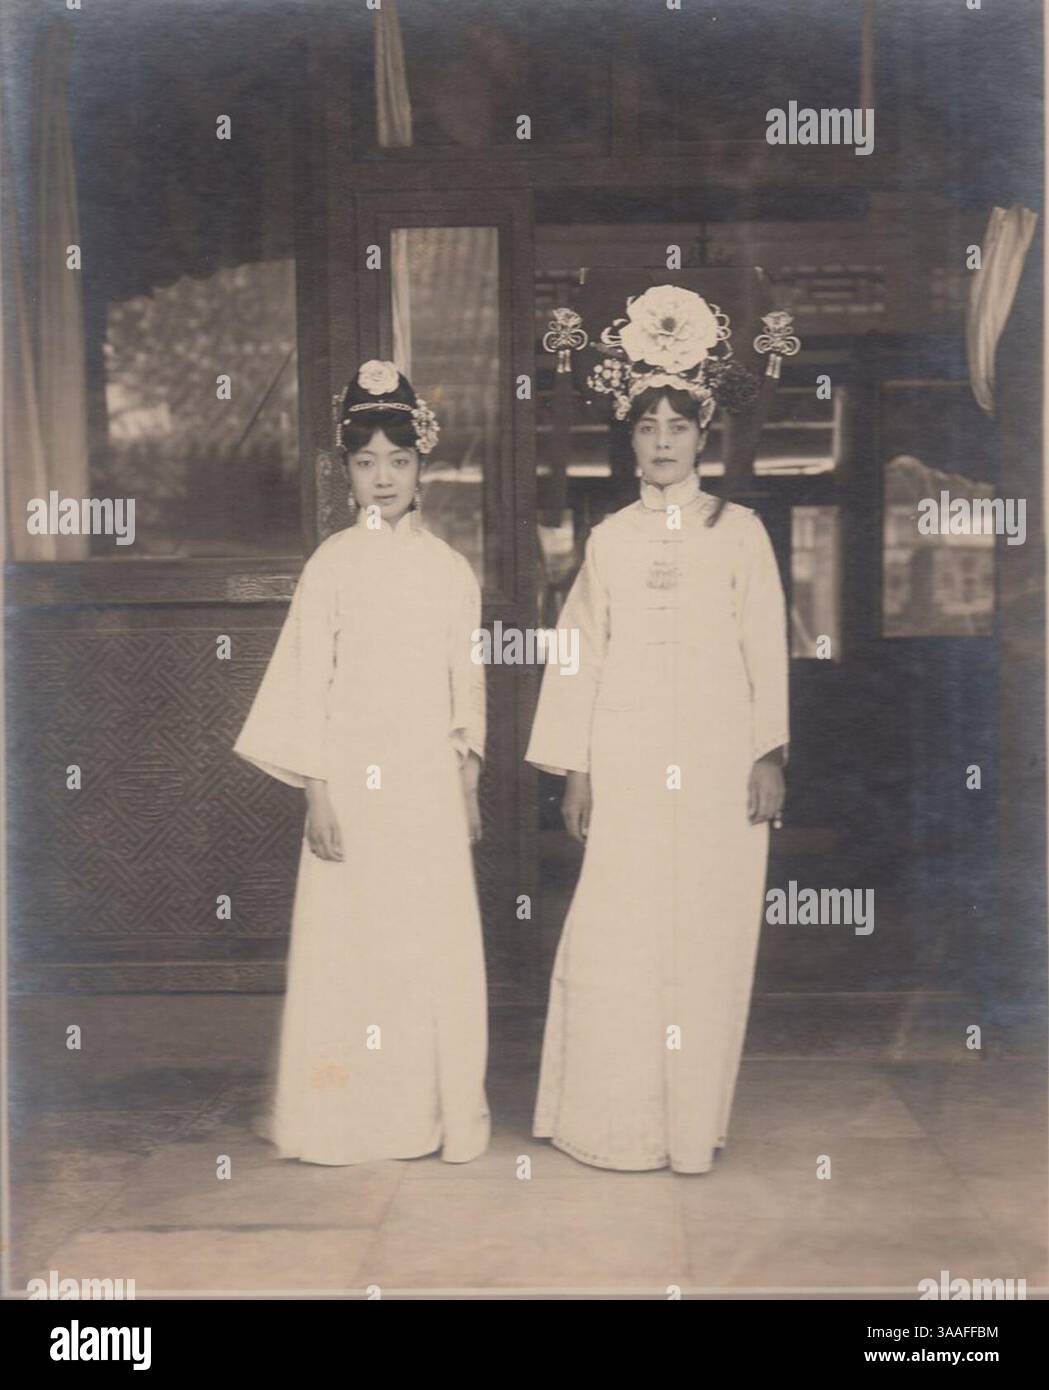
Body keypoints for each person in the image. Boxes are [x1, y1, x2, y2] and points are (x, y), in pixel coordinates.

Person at [525, 285, 789, 1174]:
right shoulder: (608, 542)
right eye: (648, 426)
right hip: (628, 760)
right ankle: (610, 1121)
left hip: (718, 762)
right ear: (629, 438)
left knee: (705, 932)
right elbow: (579, 657)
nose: (664, 439)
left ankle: (688, 1126)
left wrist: (766, 754)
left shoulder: (741, 534)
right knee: (617, 928)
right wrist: (575, 770)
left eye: (679, 424)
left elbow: (764, 653)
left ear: (702, 435)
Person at [233, 359, 490, 1165]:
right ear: (345, 470)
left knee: (425, 941)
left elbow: (465, 689)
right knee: (352, 946)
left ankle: (424, 1113)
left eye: (399, 461)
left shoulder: (450, 571)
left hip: (425, 786)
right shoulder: (331, 566)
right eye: (366, 461)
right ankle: (343, 1116)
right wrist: (317, 791)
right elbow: (307, 684)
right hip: (349, 781)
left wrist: (468, 780)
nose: (383, 478)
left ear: (423, 468)